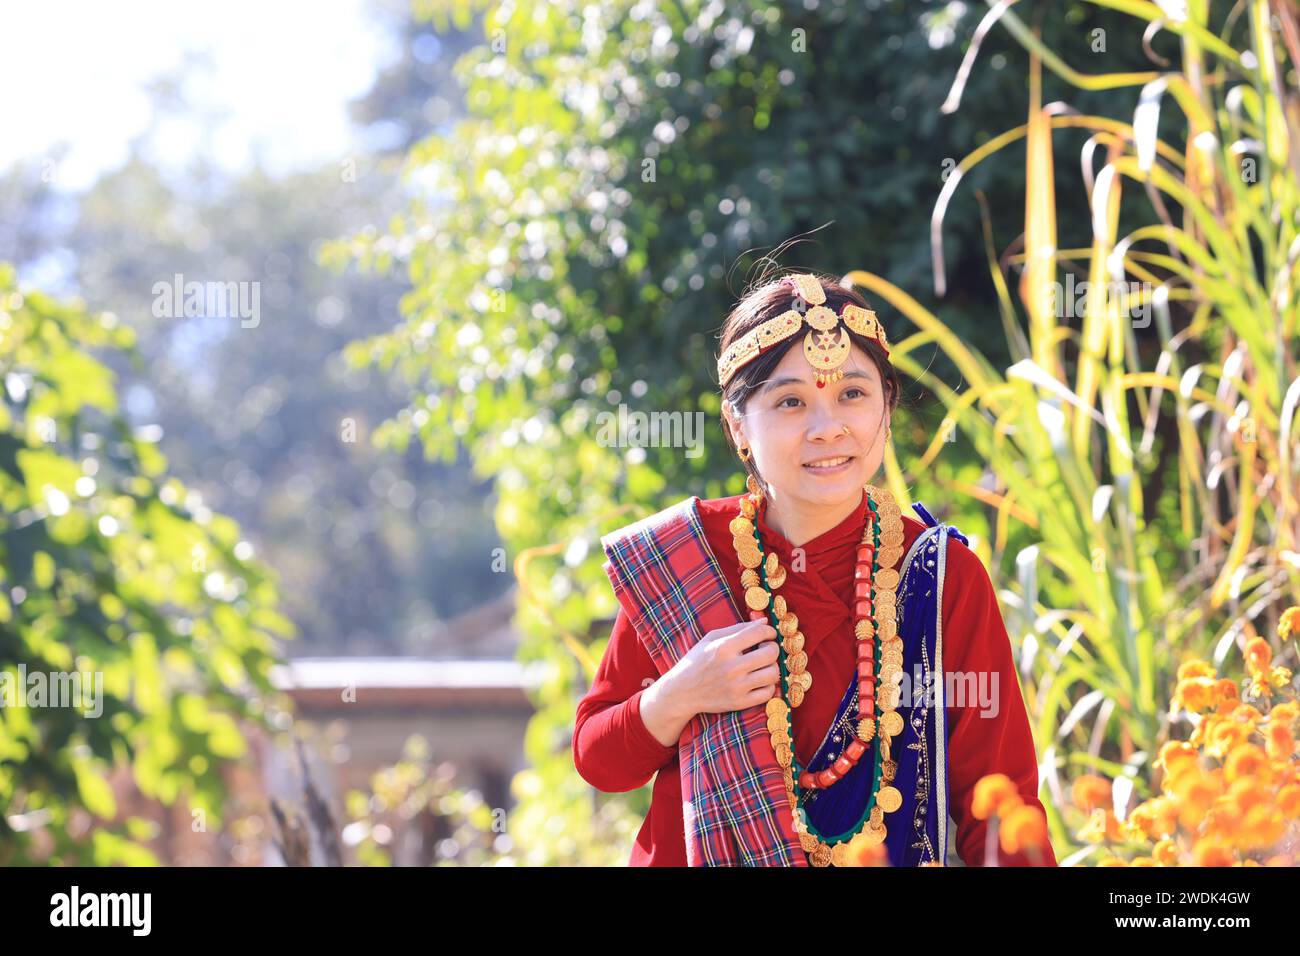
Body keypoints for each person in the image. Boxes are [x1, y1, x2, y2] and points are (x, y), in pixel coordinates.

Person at [573, 271, 1056, 867]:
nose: (828, 427)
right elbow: (600, 760)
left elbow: (1003, 810)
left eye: (853, 394)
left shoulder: (939, 577)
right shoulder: (686, 561)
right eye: (791, 401)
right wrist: (682, 692)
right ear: (738, 428)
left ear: (886, 408)